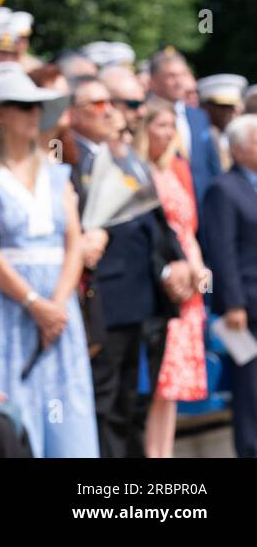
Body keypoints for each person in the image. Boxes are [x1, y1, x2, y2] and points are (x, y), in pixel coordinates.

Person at [0, 66, 99, 457]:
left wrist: (56, 304)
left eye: (37, 106)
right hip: (9, 309)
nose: (34, 114)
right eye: (23, 106)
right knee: (17, 405)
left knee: (66, 408)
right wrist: (34, 303)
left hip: (59, 308)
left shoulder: (57, 175)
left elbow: (73, 243)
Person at [68, 75, 190, 457]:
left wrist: (177, 263)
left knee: (134, 399)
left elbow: (154, 220)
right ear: (74, 113)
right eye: (98, 105)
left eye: (112, 103)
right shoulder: (68, 157)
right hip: (104, 297)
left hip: (142, 297)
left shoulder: (124, 157)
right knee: (106, 404)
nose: (110, 113)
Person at [134, 98, 209, 457]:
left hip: (189, 279)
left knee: (173, 387)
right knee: (159, 379)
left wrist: (199, 269)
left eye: (171, 126)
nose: (167, 133)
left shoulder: (174, 170)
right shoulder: (137, 171)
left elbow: (188, 230)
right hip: (162, 279)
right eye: (160, 125)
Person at [199, 114, 257, 457]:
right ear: (238, 149)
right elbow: (222, 250)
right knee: (250, 389)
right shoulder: (223, 189)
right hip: (245, 307)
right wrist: (233, 303)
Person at [149, 47, 222, 215]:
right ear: (153, 81)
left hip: (202, 207)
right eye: (171, 76)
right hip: (165, 209)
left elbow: (212, 164)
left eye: (182, 75)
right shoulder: (145, 116)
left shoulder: (199, 116)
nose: (178, 82)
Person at [198, 74, 248, 171]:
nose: (227, 112)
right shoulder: (200, 136)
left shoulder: (237, 137)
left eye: (231, 107)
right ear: (206, 107)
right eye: (221, 107)